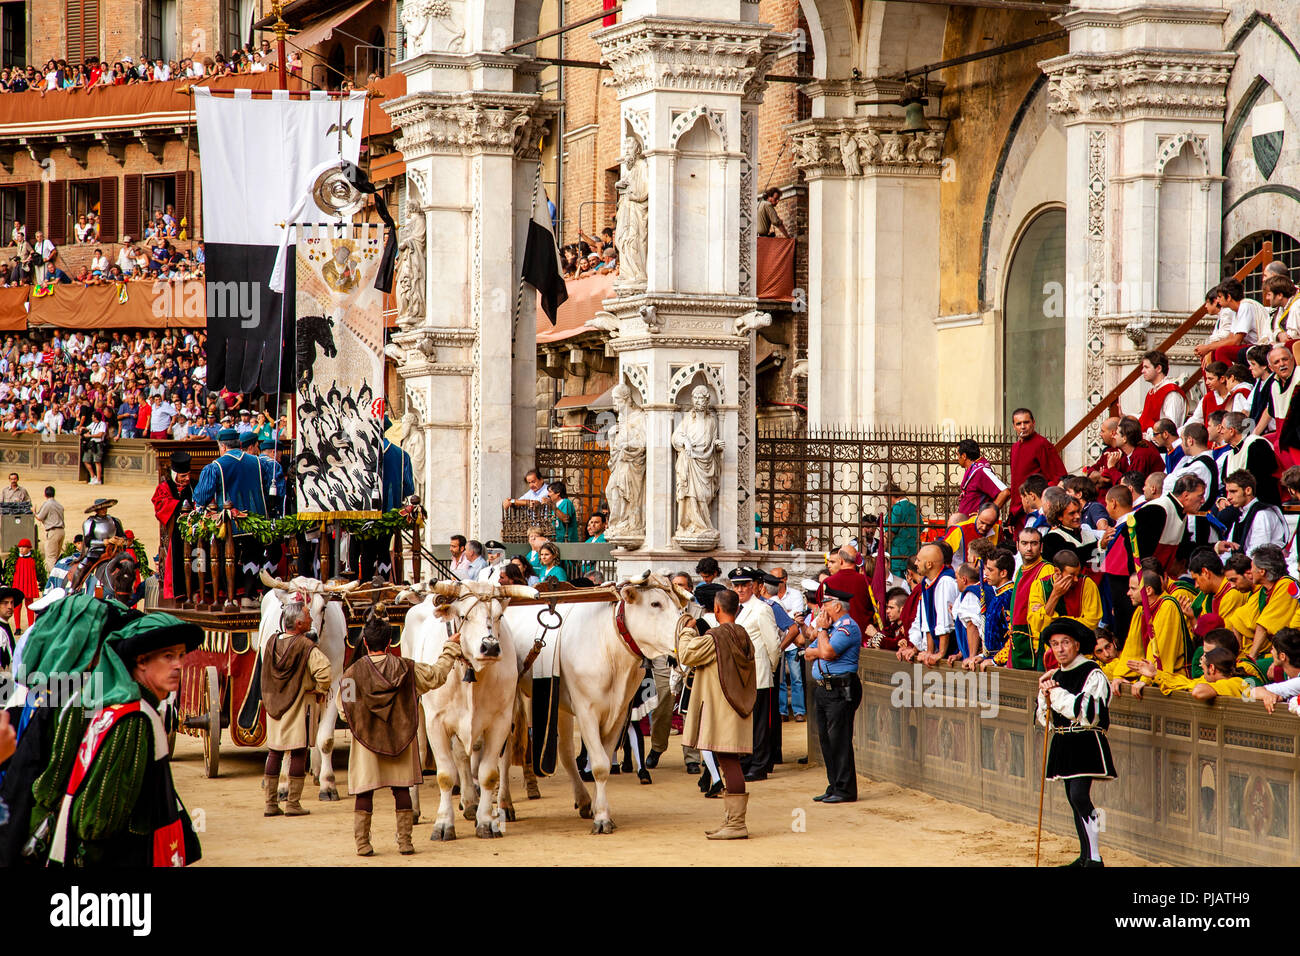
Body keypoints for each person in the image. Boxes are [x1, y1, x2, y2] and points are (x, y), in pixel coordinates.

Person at [25, 603, 205, 866]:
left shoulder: (117, 707)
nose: (178, 665)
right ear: (141, 661)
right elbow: (98, 820)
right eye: (167, 656)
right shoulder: (134, 720)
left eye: (180, 655)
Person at [340, 604, 463, 855]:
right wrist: (450, 646)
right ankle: (405, 842)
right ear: (389, 643)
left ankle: (363, 844)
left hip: (366, 741)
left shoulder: (350, 675)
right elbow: (437, 675)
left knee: (364, 794)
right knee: (401, 790)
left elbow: (344, 711)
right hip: (401, 739)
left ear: (365, 643)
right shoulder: (407, 668)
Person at [676, 587, 756, 839]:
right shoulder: (742, 634)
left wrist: (688, 629)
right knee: (728, 762)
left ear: (717, 609)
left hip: (722, 709)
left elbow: (687, 654)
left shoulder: (716, 637)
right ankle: (731, 821)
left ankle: (736, 825)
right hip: (736, 708)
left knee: (729, 763)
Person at [1036, 618, 1116, 867]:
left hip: (1085, 740)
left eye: (1065, 643)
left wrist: (1056, 694)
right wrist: (1044, 696)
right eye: (1054, 644)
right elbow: (1044, 718)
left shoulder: (1093, 672)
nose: (1059, 649)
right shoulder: (1055, 675)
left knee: (1081, 796)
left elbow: (1088, 711)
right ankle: (1084, 856)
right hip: (1063, 742)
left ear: (1076, 645)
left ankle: (1094, 858)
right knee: (1073, 798)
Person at [261, 600, 332, 818]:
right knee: (299, 751)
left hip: (274, 706)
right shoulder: (306, 646)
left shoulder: (272, 641)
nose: (311, 618)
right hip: (299, 705)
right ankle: (292, 804)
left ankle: (271, 804)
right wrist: (319, 689)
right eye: (308, 615)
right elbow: (326, 673)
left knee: (274, 752)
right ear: (300, 624)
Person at [191, 427, 269, 610]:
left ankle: (229, 598)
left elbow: (201, 497)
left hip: (228, 525)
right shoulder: (258, 462)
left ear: (223, 446)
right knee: (252, 556)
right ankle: (248, 595)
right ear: (240, 444)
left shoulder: (216, 466)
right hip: (256, 522)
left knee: (228, 558)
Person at [804, 585, 862, 804]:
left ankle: (845, 789)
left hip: (840, 688)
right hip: (824, 688)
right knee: (827, 740)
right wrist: (820, 642)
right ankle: (834, 785)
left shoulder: (847, 626)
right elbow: (813, 651)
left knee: (840, 740)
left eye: (826, 604)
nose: (822, 609)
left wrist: (820, 632)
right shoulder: (832, 628)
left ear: (837, 606)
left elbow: (827, 652)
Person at [730, 568, 779, 781]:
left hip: (759, 673)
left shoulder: (761, 609)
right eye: (736, 585)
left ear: (753, 586)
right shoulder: (734, 609)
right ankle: (748, 760)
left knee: (760, 723)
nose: (740, 589)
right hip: (741, 676)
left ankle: (760, 765)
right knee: (746, 721)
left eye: (744, 585)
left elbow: (773, 644)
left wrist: (771, 669)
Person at [1009, 407, 1066, 530]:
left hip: (1036, 508)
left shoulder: (1042, 444)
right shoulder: (1014, 448)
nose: (1023, 426)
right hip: (1018, 509)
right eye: (1019, 424)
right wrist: (1011, 513)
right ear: (1014, 426)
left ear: (1033, 423)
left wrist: (1042, 503)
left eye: (1026, 422)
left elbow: (1057, 477)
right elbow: (1015, 483)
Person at [151, 450, 193, 602]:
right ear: (175, 475)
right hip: (175, 531)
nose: (187, 478)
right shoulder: (165, 487)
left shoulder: (194, 485)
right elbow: (160, 504)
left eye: (188, 474)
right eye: (183, 476)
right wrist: (180, 505)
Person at [65, 497, 124, 593]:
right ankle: (73, 589)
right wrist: (105, 542)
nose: (104, 510)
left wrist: (121, 541)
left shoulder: (115, 521)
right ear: (96, 510)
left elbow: (124, 537)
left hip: (114, 551)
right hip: (96, 552)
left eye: (105, 508)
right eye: (101, 508)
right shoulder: (90, 522)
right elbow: (88, 542)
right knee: (81, 567)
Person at [955, 439, 1010, 518]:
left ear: (964, 456)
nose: (957, 458)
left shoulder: (981, 471)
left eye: (957, 455)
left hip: (979, 526)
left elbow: (1005, 492)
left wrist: (987, 515)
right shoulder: (973, 470)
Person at [1136, 349, 1186, 434]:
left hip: (1160, 444)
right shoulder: (1152, 392)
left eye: (1146, 367)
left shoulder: (1171, 393)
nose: (1142, 371)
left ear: (1158, 368)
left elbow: (1170, 427)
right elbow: (1145, 419)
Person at [887, 483, 919, 576]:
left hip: (898, 554)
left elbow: (890, 532)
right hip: (913, 551)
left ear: (891, 496)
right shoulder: (913, 507)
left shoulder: (897, 508)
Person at [34, 485, 64, 572]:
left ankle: (53, 578)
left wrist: (34, 512)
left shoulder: (47, 504)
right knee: (56, 556)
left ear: (45, 495)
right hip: (61, 531)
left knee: (51, 557)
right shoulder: (59, 505)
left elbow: (40, 517)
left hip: (53, 531)